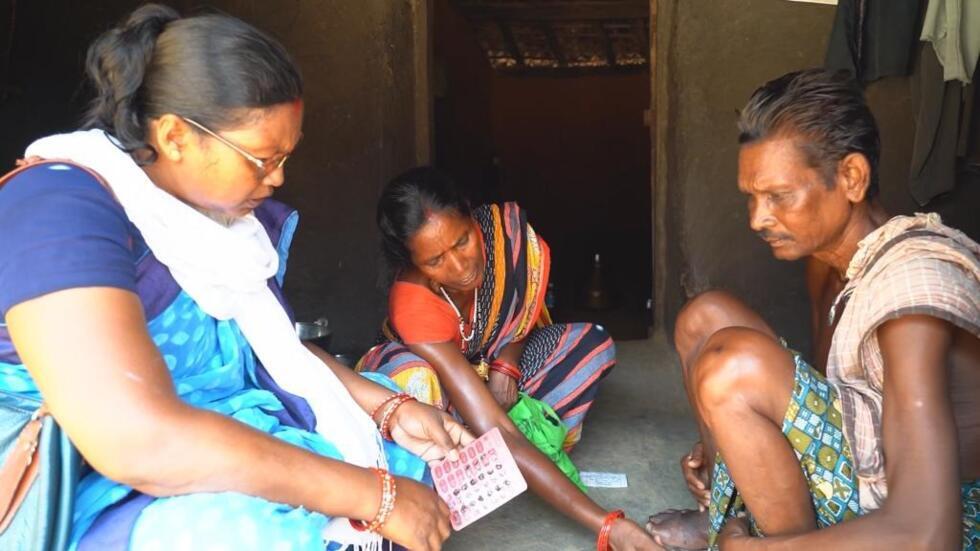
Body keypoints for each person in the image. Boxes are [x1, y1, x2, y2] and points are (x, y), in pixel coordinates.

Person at [0, 5, 473, 550]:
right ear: (177, 136)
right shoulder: (57, 209)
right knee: (253, 537)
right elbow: (137, 441)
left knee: (420, 454)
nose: (278, 178)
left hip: (229, 429)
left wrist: (390, 409)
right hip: (99, 484)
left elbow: (265, 348)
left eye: (284, 157)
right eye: (262, 158)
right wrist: (374, 496)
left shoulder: (215, 220)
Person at [645, 68, 979, 549]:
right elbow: (833, 396)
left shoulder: (912, 293)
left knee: (732, 368)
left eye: (778, 196)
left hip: (945, 517)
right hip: (871, 465)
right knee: (706, 316)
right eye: (752, 198)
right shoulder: (831, 263)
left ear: (851, 177)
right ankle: (723, 510)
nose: (758, 218)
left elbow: (928, 533)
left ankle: (761, 535)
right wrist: (734, 444)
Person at [357, 167, 659, 550]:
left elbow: (522, 317)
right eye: (435, 261)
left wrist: (508, 360)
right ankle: (472, 468)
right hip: (437, 403)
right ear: (413, 263)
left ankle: (511, 464)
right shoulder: (414, 302)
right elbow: (496, 427)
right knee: (418, 380)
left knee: (589, 345)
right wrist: (606, 524)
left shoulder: (507, 242)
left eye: (462, 241)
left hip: (488, 379)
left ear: (471, 216)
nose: (460, 266)